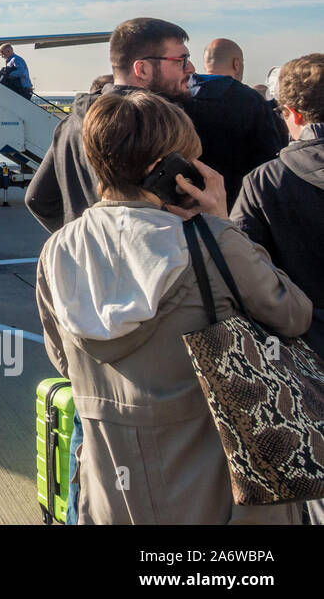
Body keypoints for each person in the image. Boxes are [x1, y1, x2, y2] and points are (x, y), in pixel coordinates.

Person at [35, 89, 311, 524]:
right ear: (164, 170)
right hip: (225, 488)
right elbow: (294, 314)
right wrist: (223, 223)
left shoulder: (57, 250)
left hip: (114, 489)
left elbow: (62, 359)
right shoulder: (211, 243)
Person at [26, 17, 193, 234]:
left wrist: (78, 237)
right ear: (142, 69)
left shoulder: (72, 121)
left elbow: (37, 199)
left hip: (83, 262)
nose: (190, 68)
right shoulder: (158, 127)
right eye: (181, 59)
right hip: (147, 263)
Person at [232, 53, 324, 357]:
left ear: (293, 115)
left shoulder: (264, 182)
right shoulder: (264, 181)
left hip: (306, 345)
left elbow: (243, 270)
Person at [185, 38, 286, 204]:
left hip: (187, 196)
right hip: (238, 198)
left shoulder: (181, 96)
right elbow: (269, 157)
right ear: (236, 64)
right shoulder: (250, 100)